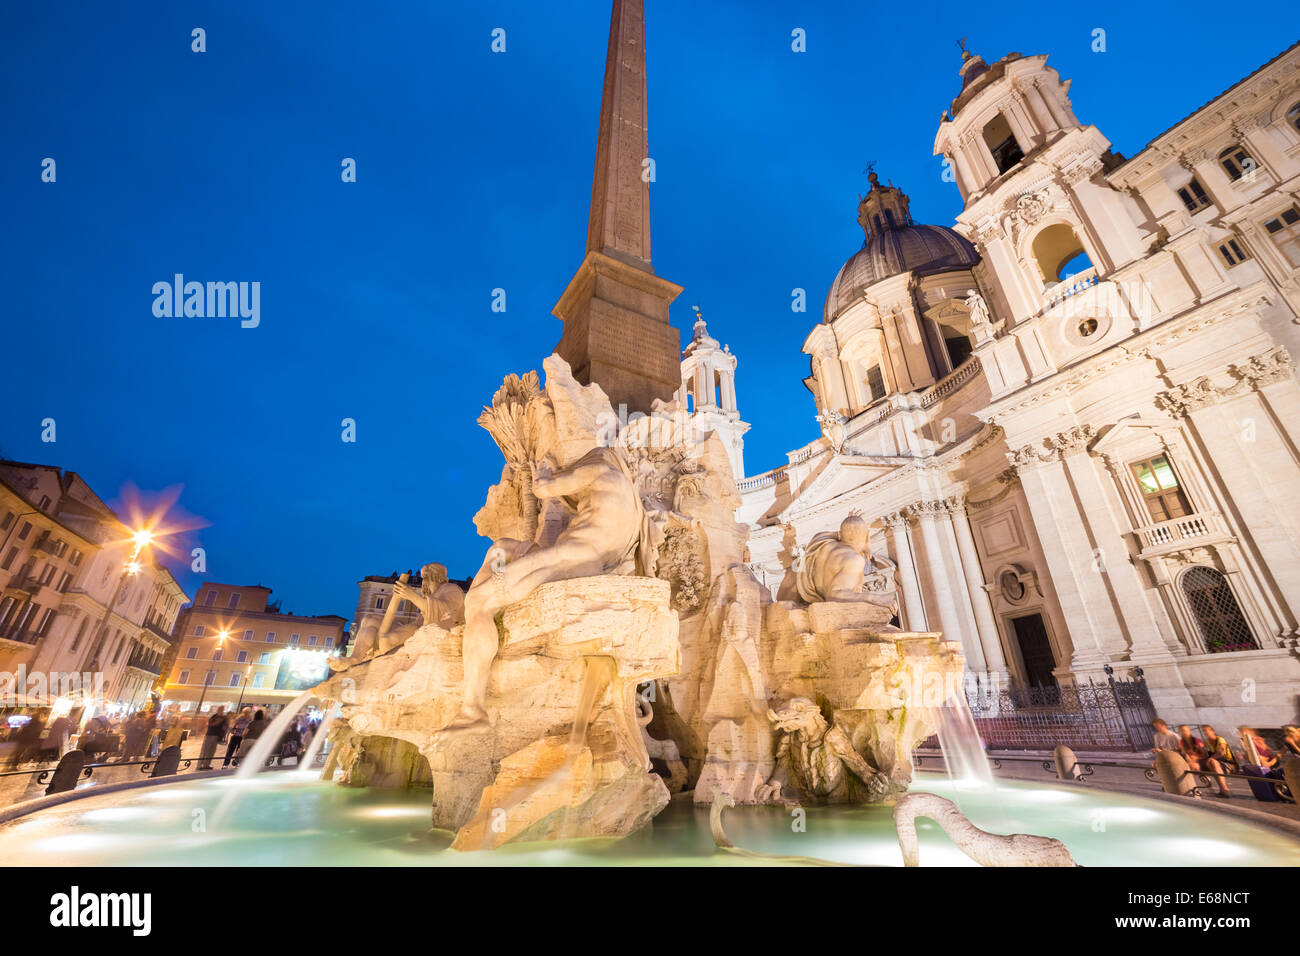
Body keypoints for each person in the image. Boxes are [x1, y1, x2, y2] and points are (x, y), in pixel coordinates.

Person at [1179, 724, 1230, 797]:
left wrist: (1196, 758)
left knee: (1212, 762)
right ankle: (1192, 789)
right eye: (1182, 731)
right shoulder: (1181, 742)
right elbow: (1186, 756)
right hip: (1195, 763)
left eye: (1186, 731)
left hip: (1204, 761)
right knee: (1191, 766)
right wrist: (1192, 761)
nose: (1184, 733)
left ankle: (1224, 789)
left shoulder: (1197, 741)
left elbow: (1205, 755)